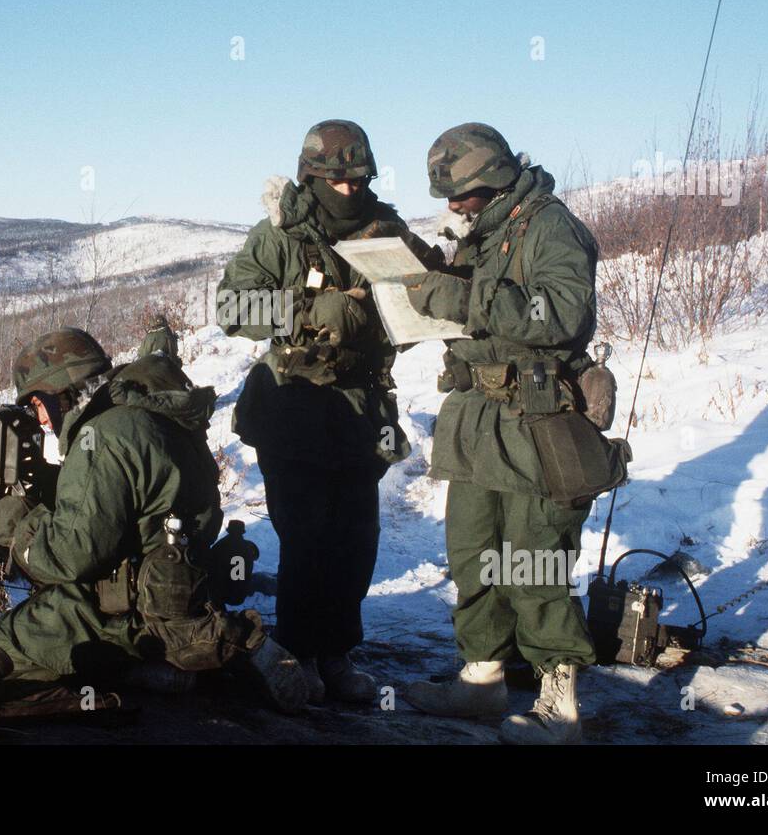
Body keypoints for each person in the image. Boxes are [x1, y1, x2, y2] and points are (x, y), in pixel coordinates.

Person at [0, 327, 308, 714]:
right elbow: (132, 501)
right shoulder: (146, 413)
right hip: (177, 590)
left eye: (38, 404)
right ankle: (149, 669)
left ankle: (143, 667)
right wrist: (57, 485)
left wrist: (16, 523)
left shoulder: (102, 436)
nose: (40, 419)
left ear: (61, 391)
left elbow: (68, 558)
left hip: (126, 615)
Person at [400, 123, 613, 744]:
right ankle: (482, 678)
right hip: (477, 421)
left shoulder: (550, 225)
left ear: (494, 180)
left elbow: (562, 312)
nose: (453, 206)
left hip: (538, 423)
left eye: (461, 193)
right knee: (473, 555)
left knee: (534, 560)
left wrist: (465, 300)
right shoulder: (484, 233)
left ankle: (558, 701)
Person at [216, 120, 437, 703]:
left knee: (356, 539)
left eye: (358, 178)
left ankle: (337, 653)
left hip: (362, 410)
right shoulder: (281, 234)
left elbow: (424, 292)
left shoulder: (385, 230)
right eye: (335, 179)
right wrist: (310, 308)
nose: (348, 189)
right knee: (307, 540)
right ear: (311, 175)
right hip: (295, 407)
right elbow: (231, 306)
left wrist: (414, 312)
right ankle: (301, 654)